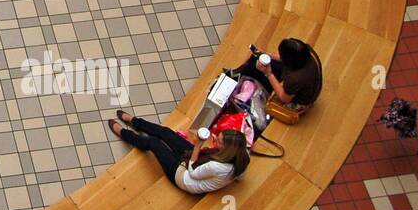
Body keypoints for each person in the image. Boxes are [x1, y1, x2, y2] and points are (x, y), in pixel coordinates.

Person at [109, 112, 250, 194]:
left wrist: (198, 146)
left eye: (218, 142)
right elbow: (241, 176)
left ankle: (124, 134)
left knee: (154, 143)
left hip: (184, 176)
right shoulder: (242, 156)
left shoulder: (217, 167)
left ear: (227, 149)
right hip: (198, 159)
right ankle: (134, 121)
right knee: (166, 132)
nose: (214, 139)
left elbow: (194, 173)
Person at [235, 38, 322, 110]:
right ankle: (239, 73)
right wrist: (267, 55)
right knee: (255, 59)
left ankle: (236, 77)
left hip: (296, 101)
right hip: (302, 85)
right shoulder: (305, 53)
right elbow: (283, 58)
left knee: (254, 70)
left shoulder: (295, 78)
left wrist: (268, 74)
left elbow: (284, 98)